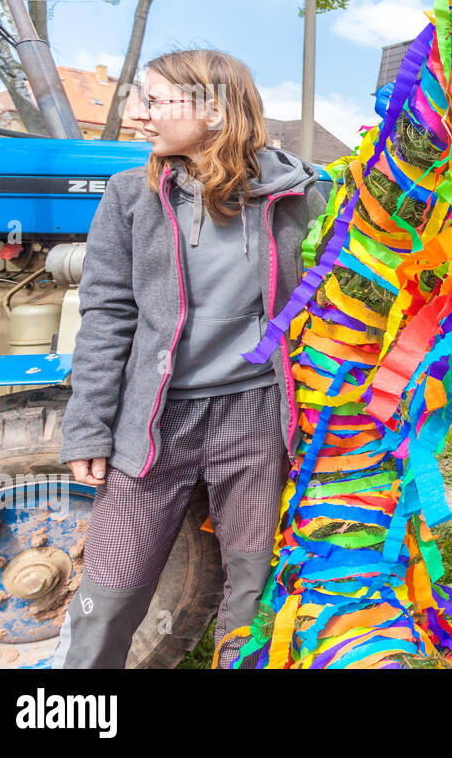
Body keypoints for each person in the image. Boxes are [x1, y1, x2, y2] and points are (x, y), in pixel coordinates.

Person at [54, 50, 326, 668]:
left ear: (214, 109)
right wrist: (88, 424)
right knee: (107, 594)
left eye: (153, 101)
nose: (136, 114)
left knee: (253, 600)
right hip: (153, 421)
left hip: (255, 416)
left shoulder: (301, 196)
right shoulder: (130, 196)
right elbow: (108, 316)